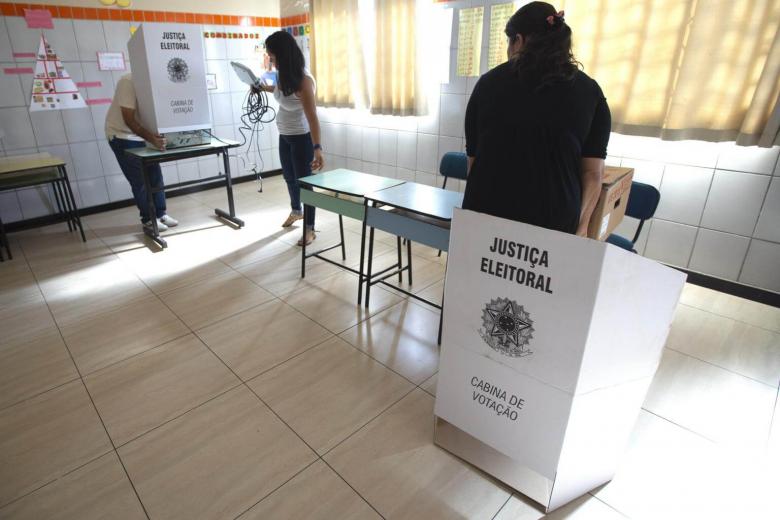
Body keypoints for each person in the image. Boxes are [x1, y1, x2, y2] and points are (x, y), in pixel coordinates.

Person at [463, 2, 611, 236]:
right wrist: (581, 227)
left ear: (518, 41)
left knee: (478, 273)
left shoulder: (487, 85)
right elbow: (593, 174)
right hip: (553, 223)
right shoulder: (590, 92)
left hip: (486, 216)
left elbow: (474, 162)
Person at [255, 30, 323, 246]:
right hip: (284, 135)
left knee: (305, 184)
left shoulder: (304, 81)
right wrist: (261, 88)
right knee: (288, 177)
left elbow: (313, 119)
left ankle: (310, 229)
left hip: (301, 138)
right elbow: (280, 92)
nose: (271, 62)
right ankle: (297, 211)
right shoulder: (283, 76)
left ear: (283, 55)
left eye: (273, 58)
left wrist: (317, 148)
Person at [105, 74, 178, 232]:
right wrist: (151, 138)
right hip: (122, 135)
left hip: (143, 135)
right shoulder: (128, 81)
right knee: (140, 180)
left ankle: (160, 213)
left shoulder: (158, 80)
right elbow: (129, 119)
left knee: (155, 176)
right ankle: (148, 218)